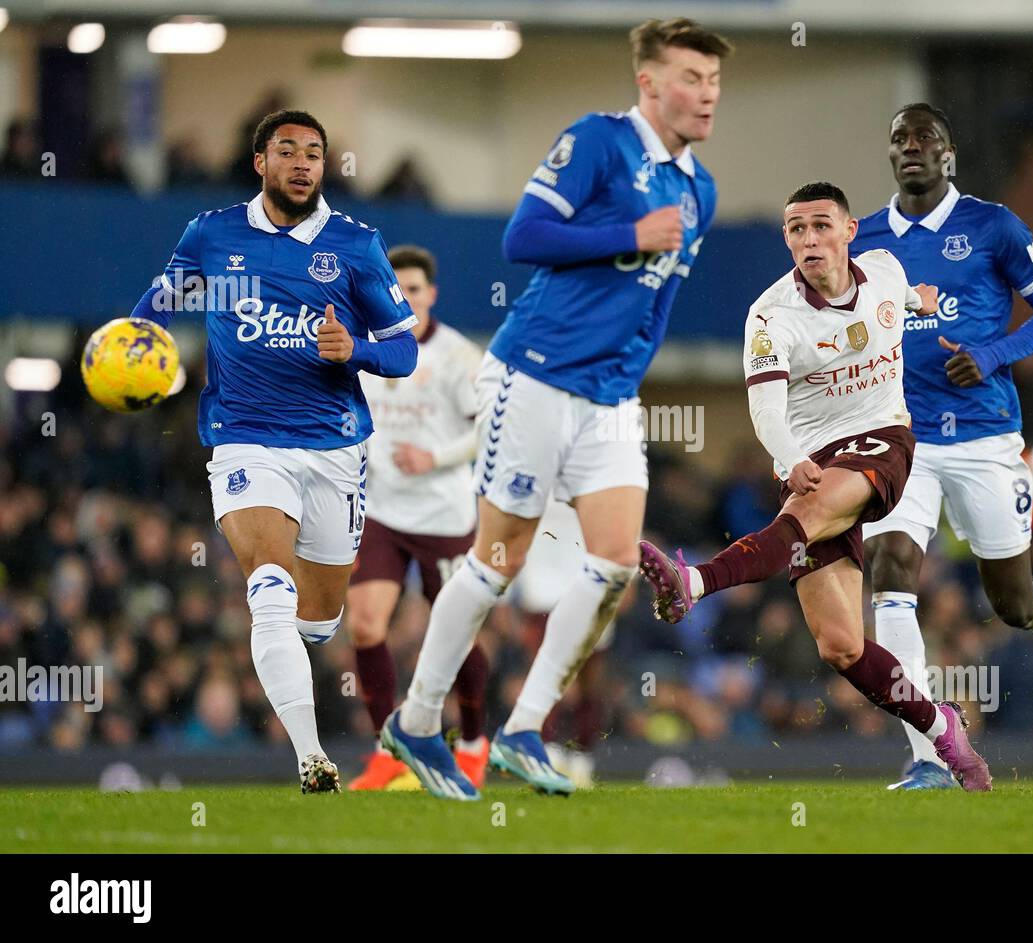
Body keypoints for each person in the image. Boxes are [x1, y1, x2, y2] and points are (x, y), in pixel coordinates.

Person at [383, 17, 731, 800]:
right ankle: (416, 719)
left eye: (713, 82)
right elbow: (524, 236)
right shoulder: (600, 143)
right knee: (496, 563)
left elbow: (660, 294)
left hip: (608, 395)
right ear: (648, 82)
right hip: (534, 373)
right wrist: (627, 233)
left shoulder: (699, 188)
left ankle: (524, 729)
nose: (705, 95)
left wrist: (631, 372)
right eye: (689, 78)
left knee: (611, 564)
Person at [638, 182, 991, 791]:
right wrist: (789, 456)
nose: (809, 239)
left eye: (821, 225)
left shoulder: (883, 269)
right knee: (841, 647)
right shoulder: (771, 316)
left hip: (883, 440)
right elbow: (766, 411)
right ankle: (941, 728)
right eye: (796, 229)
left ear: (850, 231)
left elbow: (902, 298)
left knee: (805, 518)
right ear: (787, 240)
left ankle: (695, 580)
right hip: (810, 456)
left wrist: (922, 299)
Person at [132, 109, 419, 792]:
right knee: (267, 587)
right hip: (245, 439)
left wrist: (357, 350)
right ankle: (311, 755)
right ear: (260, 161)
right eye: (287, 150)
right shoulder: (212, 233)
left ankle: (300, 657)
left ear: (324, 167)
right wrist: (136, 346)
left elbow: (405, 350)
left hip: (334, 448)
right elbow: (158, 303)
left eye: (314, 153)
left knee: (317, 624)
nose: (301, 163)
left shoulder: (355, 245)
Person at [849, 104, 1033, 789]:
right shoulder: (863, 239)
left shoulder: (994, 226)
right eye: (898, 138)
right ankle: (927, 755)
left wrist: (991, 354)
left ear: (949, 155)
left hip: (986, 436)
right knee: (891, 571)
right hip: (903, 438)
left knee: (1012, 604)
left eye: (924, 138)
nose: (910, 148)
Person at [344, 245, 491, 791]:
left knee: (458, 634)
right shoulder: (367, 350)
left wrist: (436, 457)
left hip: (445, 516)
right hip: (382, 510)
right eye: (396, 289)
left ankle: (474, 740)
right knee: (364, 624)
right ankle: (389, 748)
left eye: (415, 289)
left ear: (432, 295)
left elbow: (486, 430)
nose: (405, 298)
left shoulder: (457, 357)